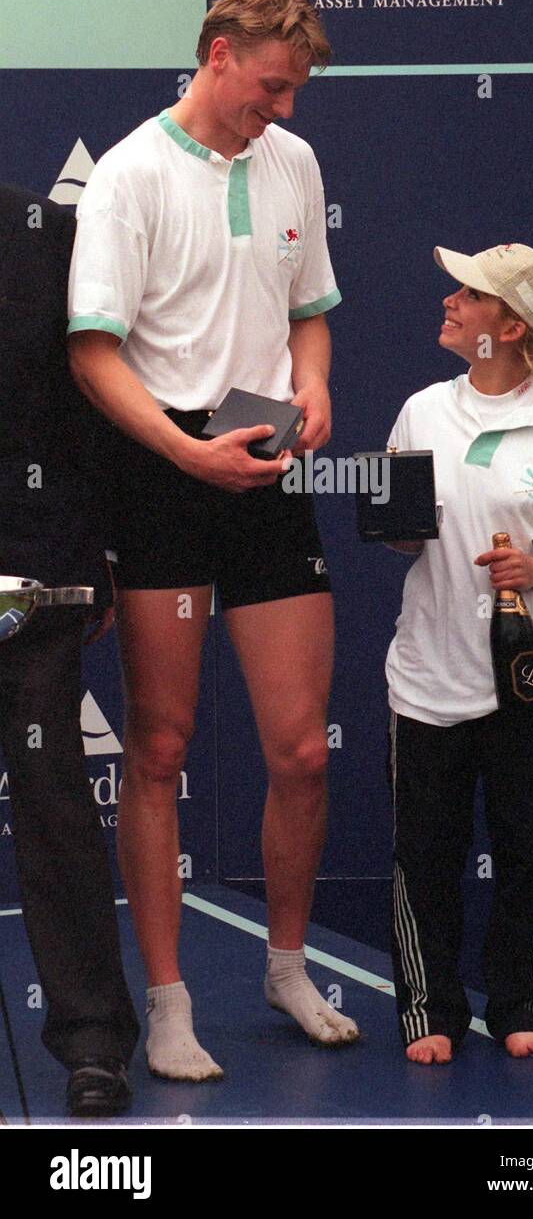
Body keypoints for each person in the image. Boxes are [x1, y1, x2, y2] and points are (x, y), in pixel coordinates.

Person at [66, 0, 359, 1082]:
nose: (280, 110)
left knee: (298, 748)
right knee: (162, 746)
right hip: (162, 473)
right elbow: (94, 351)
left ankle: (287, 967)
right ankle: (170, 1003)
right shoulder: (131, 175)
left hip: (267, 456)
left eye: (293, 94)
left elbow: (311, 314)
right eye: (270, 88)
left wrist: (314, 385)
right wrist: (185, 452)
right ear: (219, 54)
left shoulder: (294, 160)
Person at [384, 242, 533, 1064]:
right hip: (428, 663)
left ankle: (520, 1000)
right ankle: (427, 1008)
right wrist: (391, 520)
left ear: (511, 325)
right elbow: (401, 532)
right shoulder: (420, 410)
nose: (450, 302)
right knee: (425, 842)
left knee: (530, 836)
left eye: (469, 294)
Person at [0, 182, 139, 1116]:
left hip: (33, 581)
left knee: (55, 815)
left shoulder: (47, 234)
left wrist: (103, 553)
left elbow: (94, 397)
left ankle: (93, 1047)